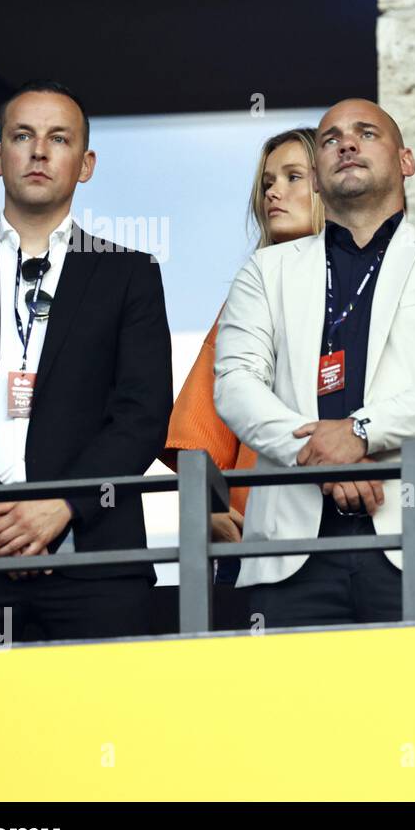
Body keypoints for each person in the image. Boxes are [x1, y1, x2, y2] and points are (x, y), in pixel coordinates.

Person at [214, 98, 415, 655]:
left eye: (366, 133)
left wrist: (359, 433)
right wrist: (320, 456)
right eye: (330, 139)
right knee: (297, 711)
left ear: (406, 161)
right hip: (290, 554)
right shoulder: (265, 269)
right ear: (318, 177)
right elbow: (235, 384)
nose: (346, 143)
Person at [0, 80, 172, 641]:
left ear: (86, 165)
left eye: (59, 138)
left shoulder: (130, 274)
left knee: (103, 701)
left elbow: (143, 415)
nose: (38, 151)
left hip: (94, 558)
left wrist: (60, 506)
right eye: (22, 136)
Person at [162, 128, 324, 579]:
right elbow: (199, 427)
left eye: (293, 177)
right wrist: (208, 507)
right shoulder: (247, 297)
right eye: (268, 182)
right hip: (254, 535)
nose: (273, 191)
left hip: (353, 524)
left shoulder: (377, 289)